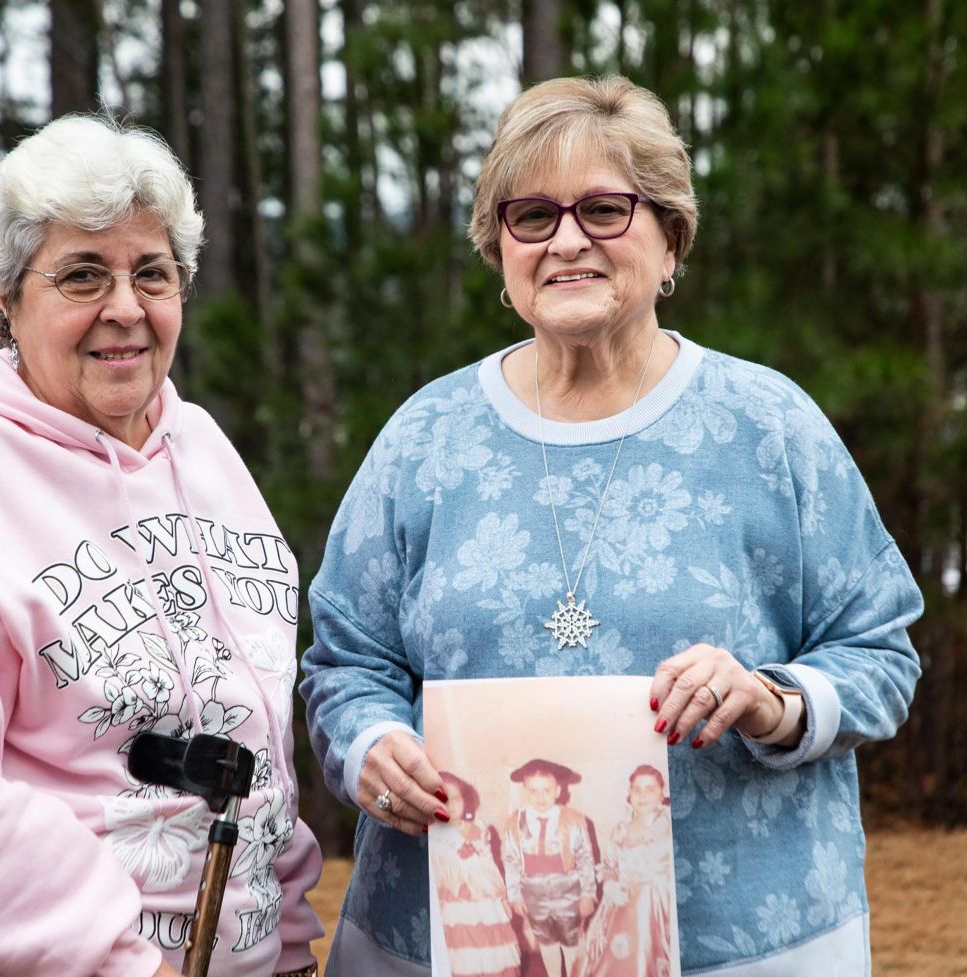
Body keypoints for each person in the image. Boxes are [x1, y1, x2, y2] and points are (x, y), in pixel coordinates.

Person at [300, 74, 922, 977]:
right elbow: (345, 658)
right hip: (455, 938)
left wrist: (775, 700)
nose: (567, 241)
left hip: (738, 943)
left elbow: (880, 650)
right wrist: (367, 745)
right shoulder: (425, 438)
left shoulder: (768, 426)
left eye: (603, 208)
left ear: (671, 239)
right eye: (533, 217)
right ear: (500, 249)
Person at [0, 116, 322, 977]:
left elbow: (256, 733)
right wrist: (121, 964)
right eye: (83, 274)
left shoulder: (203, 451)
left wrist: (285, 943)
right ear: (7, 296)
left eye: (151, 273)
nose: (125, 308)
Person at [501, 760, 597, 977]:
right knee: (546, 940)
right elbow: (511, 861)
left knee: (572, 940)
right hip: (533, 893)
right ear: (525, 790)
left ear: (558, 790)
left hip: (568, 891)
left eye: (546, 790)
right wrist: (515, 895)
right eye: (534, 791)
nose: (540, 797)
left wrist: (588, 894)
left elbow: (585, 858)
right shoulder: (514, 823)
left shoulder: (574, 820)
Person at [576, 765, 674, 977]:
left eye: (650, 789)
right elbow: (609, 866)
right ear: (628, 794)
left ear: (662, 791)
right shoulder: (620, 830)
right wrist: (610, 885)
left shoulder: (670, 825)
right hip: (621, 904)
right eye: (636, 789)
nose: (642, 795)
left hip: (656, 905)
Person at [429, 772, 522, 977]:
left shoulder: (479, 828)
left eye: (456, 798)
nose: (450, 804)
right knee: (468, 961)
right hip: (457, 910)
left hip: (487, 907)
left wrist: (502, 897)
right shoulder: (433, 837)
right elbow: (443, 880)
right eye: (442, 798)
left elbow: (490, 868)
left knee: (495, 957)